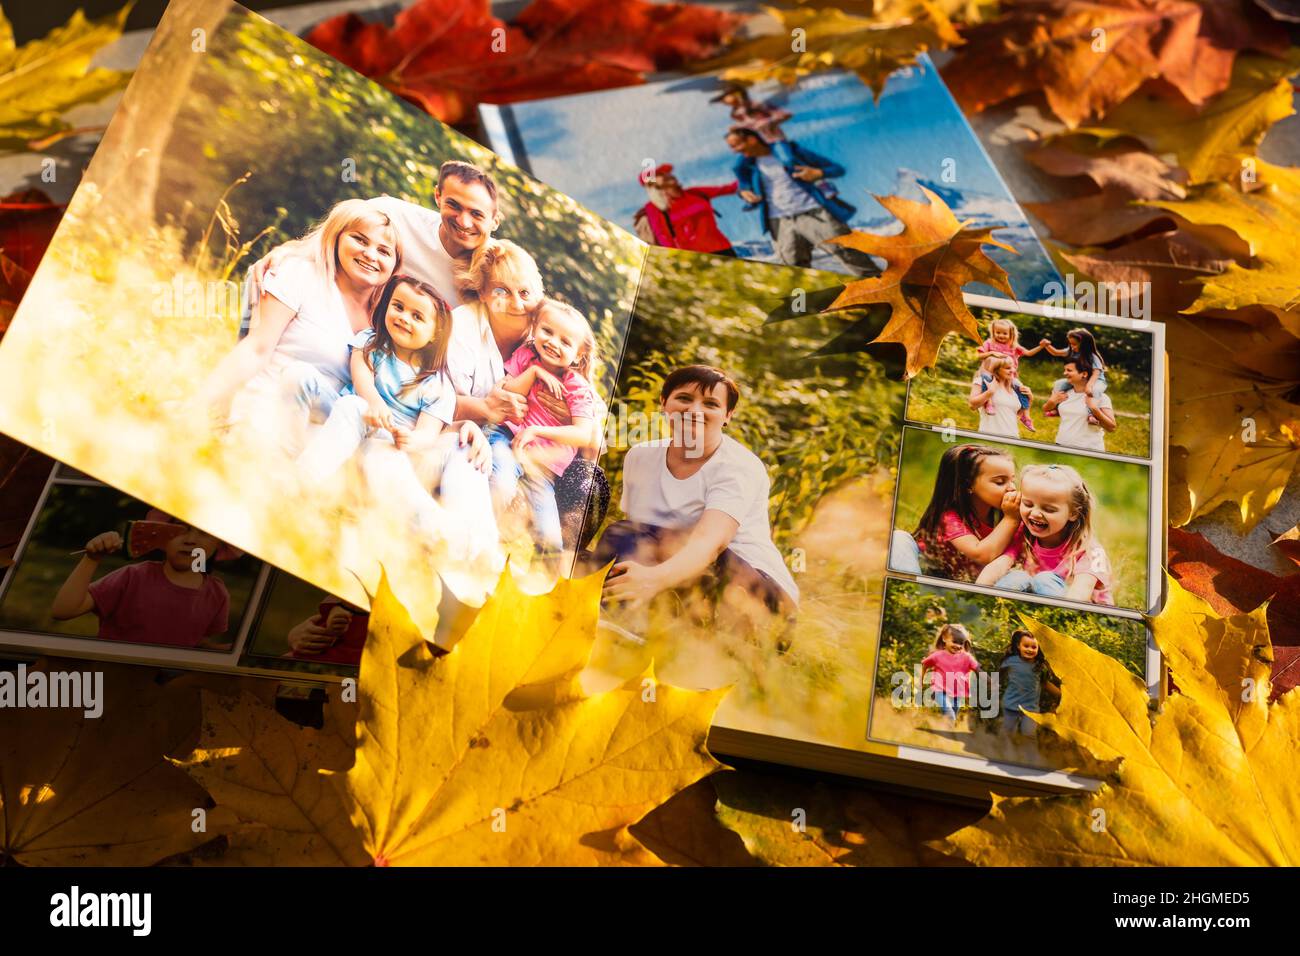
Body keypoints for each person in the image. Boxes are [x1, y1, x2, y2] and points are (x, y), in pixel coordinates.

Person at [585, 365, 798, 644]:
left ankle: (621, 623)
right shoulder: (640, 457)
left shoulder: (737, 467)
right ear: (664, 403)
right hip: (683, 577)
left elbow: (710, 543)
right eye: (684, 399)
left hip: (761, 596)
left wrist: (655, 579)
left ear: (727, 416)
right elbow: (641, 539)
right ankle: (614, 622)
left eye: (710, 404)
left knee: (625, 535)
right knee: (623, 536)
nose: (695, 410)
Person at [296, 273, 497, 564]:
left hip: (389, 440)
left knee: (438, 450)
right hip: (350, 417)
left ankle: (465, 542)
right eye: (398, 307)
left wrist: (411, 439)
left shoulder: (437, 385)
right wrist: (374, 405)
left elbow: (428, 434)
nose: (404, 318)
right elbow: (361, 378)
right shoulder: (372, 343)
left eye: (417, 316)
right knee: (319, 386)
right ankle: (299, 477)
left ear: (435, 334)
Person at [447, 239, 609, 551]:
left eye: (524, 292)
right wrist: (488, 406)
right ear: (482, 292)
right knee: (501, 479)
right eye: (501, 291)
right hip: (488, 437)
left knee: (591, 480)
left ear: (538, 296)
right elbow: (442, 402)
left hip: (544, 457)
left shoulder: (549, 333)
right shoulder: (468, 329)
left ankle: (556, 563)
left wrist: (564, 430)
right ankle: (480, 542)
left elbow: (593, 434)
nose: (516, 303)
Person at [197, 198, 399, 446]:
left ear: (394, 265)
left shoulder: (387, 319)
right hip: (268, 415)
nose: (370, 254)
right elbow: (255, 349)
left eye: (384, 251)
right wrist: (197, 405)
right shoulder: (299, 274)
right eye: (360, 239)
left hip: (323, 440)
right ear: (336, 237)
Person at [487, 299, 597, 563]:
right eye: (547, 331)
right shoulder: (526, 358)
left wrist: (537, 431)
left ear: (578, 355)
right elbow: (508, 395)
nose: (553, 343)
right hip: (506, 438)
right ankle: (482, 544)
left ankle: (544, 585)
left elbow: (583, 434)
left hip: (543, 465)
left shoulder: (578, 388)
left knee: (550, 540)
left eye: (565, 342)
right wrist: (535, 372)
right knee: (499, 484)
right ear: (535, 328)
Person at [51, 510, 234, 649]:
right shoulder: (132, 577)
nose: (191, 540)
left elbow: (195, 639)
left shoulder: (218, 594)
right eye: (180, 528)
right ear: (160, 533)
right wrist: (92, 559)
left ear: (220, 543)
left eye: (205, 532)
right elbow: (63, 610)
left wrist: (225, 651)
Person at [726, 127, 879, 275]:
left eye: (737, 144)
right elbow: (743, 187)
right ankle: (802, 302)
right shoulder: (747, 167)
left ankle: (888, 294)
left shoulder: (790, 152)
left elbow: (837, 169)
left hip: (815, 213)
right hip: (779, 222)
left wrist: (818, 172)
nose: (734, 150)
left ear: (752, 139)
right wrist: (744, 193)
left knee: (849, 256)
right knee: (792, 268)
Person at [976, 463, 1115, 606]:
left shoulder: (1089, 550)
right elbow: (999, 565)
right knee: (1017, 578)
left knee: (1044, 579)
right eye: (1028, 504)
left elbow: (1080, 594)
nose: (1035, 513)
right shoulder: (1023, 534)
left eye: (1049, 509)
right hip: (1040, 602)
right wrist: (978, 594)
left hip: (1079, 612)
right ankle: (996, 610)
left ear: (1073, 513)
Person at [889, 444, 1020, 582]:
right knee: (899, 538)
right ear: (968, 485)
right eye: (1000, 482)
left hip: (962, 590)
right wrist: (1011, 519)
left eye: (1013, 480)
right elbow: (981, 555)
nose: (1011, 488)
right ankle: (908, 589)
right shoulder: (949, 517)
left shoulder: (1006, 515)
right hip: (929, 575)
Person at [633, 164, 738, 255]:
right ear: (652, 184)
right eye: (660, 174)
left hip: (723, 248)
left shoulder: (695, 193)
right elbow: (663, 236)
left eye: (667, 172)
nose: (667, 174)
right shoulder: (653, 207)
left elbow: (730, 188)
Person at [975, 316, 1046, 431]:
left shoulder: (1013, 346)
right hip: (990, 372)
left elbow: (1028, 353)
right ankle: (989, 403)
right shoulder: (989, 343)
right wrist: (992, 353)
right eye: (998, 332)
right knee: (986, 379)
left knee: (1022, 389)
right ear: (993, 332)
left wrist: (1041, 347)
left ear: (1011, 334)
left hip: (1009, 376)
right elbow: (979, 356)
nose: (1001, 335)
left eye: (1004, 333)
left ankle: (1026, 416)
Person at [998, 628, 1061, 738]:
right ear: (1018, 646)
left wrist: (1061, 694)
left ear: (1038, 648)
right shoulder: (1011, 661)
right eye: (1026, 646)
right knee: (1007, 733)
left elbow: (1045, 683)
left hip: (1031, 709)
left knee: (1029, 734)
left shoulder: (1040, 666)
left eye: (1034, 647)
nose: (1030, 650)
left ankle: (1029, 754)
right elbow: (999, 676)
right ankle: (1002, 752)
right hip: (1011, 705)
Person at [1044, 358, 1117, 452]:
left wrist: (1094, 409)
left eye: (1069, 370)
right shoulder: (1063, 394)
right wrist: (1052, 401)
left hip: (1089, 450)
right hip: (1061, 446)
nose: (1064, 373)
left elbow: (1112, 427)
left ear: (1084, 374)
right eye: (1065, 370)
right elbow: (1046, 410)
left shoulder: (1101, 397)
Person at [1041, 327, 1107, 422]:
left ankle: (1091, 415)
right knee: (1059, 384)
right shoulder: (1071, 351)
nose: (1072, 346)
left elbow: (1096, 373)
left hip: (1096, 380)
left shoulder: (1092, 356)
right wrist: (1046, 346)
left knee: (1095, 390)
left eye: (1074, 344)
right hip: (1080, 379)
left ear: (1085, 344)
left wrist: (1089, 385)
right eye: (1070, 344)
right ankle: (1057, 408)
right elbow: (1056, 352)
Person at [920, 623, 981, 724]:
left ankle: (943, 734)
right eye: (954, 642)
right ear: (944, 638)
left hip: (957, 693)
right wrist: (921, 680)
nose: (957, 646)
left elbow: (978, 669)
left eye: (961, 643)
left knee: (951, 718)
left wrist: (990, 681)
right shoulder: (937, 656)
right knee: (950, 715)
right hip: (940, 691)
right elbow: (925, 665)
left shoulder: (966, 657)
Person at [970, 355, 1022, 438]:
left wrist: (1030, 400)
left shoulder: (1014, 387)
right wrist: (990, 392)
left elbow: (1017, 414)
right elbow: (973, 405)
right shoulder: (984, 382)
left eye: (1013, 367)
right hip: (989, 437)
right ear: (996, 370)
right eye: (1008, 368)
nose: (1012, 370)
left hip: (1013, 438)